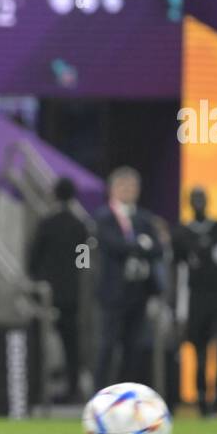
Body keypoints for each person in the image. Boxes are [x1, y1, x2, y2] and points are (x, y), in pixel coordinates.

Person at [92, 167, 162, 390]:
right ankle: (100, 393)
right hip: (113, 291)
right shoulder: (104, 217)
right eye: (124, 186)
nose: (129, 191)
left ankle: (127, 393)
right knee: (108, 344)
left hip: (138, 291)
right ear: (112, 189)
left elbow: (158, 248)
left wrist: (138, 248)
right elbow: (114, 245)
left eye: (133, 187)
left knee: (134, 346)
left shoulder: (143, 218)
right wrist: (140, 246)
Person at [174, 187, 217, 416]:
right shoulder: (182, 234)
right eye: (195, 198)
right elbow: (178, 271)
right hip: (197, 299)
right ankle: (202, 402)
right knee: (200, 356)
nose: (199, 202)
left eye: (202, 197)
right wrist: (178, 311)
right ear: (189, 203)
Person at [27, 177, 91, 403]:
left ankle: (34, 390)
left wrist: (36, 281)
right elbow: (84, 258)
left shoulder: (47, 223)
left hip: (47, 293)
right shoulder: (80, 225)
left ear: (54, 195)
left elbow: (33, 258)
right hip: (71, 294)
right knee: (71, 344)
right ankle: (73, 389)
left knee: (38, 341)